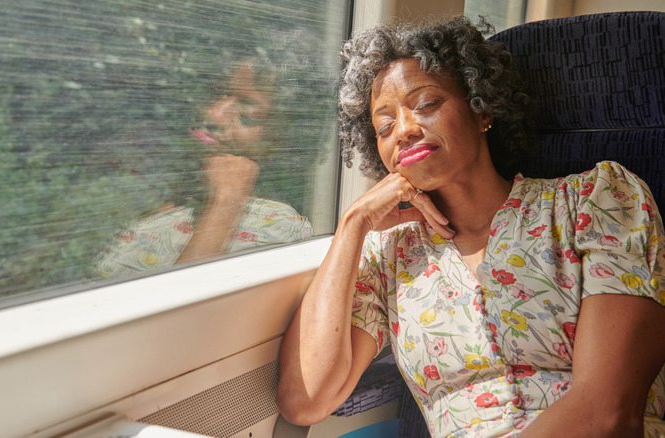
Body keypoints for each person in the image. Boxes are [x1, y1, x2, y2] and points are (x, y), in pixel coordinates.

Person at [276, 16, 665, 437]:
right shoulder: (390, 254)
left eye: (426, 104)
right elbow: (305, 401)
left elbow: (608, 412)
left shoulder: (597, 199)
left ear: (482, 110)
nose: (404, 130)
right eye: (384, 127)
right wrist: (353, 225)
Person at [95, 29, 334, 276]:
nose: (214, 114)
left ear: (283, 137)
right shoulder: (161, 193)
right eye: (217, 92)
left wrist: (227, 201)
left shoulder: (276, 224)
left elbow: (185, 308)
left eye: (247, 110)